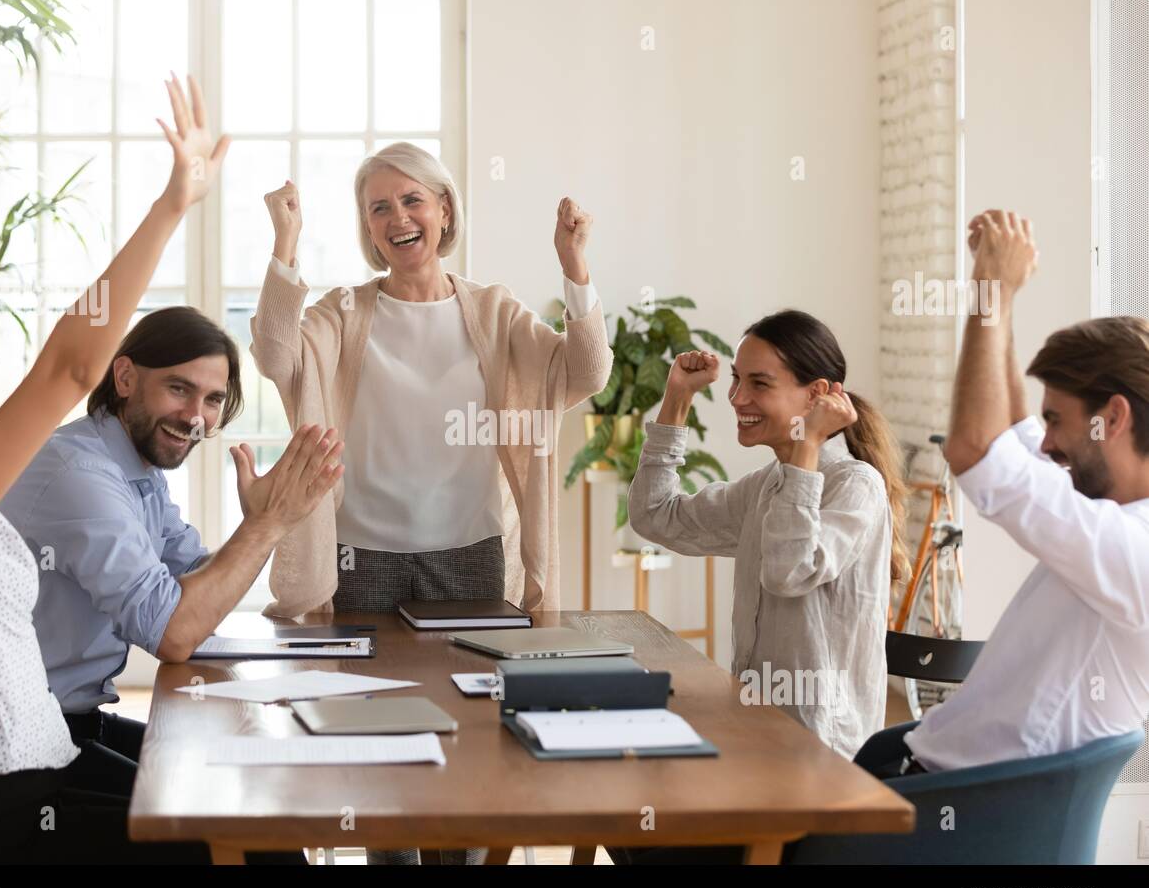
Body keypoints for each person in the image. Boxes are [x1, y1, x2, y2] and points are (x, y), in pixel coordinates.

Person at [0, 77, 335, 863]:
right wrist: (173, 204)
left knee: (247, 816)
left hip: (16, 771)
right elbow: (72, 367)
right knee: (245, 843)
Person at [249, 143, 612, 623]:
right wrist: (286, 241)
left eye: (411, 200)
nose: (397, 217)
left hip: (469, 553)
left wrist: (574, 264)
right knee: (362, 692)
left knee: (471, 692)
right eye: (379, 208)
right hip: (360, 554)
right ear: (369, 228)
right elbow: (276, 356)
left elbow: (587, 372)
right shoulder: (343, 313)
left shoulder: (494, 313)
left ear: (444, 208)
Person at [0, 306, 342, 800]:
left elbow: (197, 583)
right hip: (15, 752)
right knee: (236, 816)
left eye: (213, 400)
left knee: (251, 789)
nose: (195, 417)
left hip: (69, 724)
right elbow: (173, 631)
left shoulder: (137, 470)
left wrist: (258, 524)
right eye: (179, 389)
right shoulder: (80, 475)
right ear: (125, 378)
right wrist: (267, 525)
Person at [893, 210, 1149, 777]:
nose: (1048, 440)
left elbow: (974, 450)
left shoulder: (1134, 553)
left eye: (1057, 420)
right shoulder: (1109, 513)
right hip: (934, 774)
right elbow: (1010, 439)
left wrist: (993, 288)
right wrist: (1000, 297)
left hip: (965, 811)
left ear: (1114, 417)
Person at [629, 311, 909, 759]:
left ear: (817, 395)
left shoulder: (855, 486)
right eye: (736, 380)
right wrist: (677, 397)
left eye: (759, 383)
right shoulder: (766, 486)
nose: (738, 398)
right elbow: (654, 515)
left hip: (822, 755)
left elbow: (788, 570)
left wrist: (808, 447)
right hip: (757, 732)